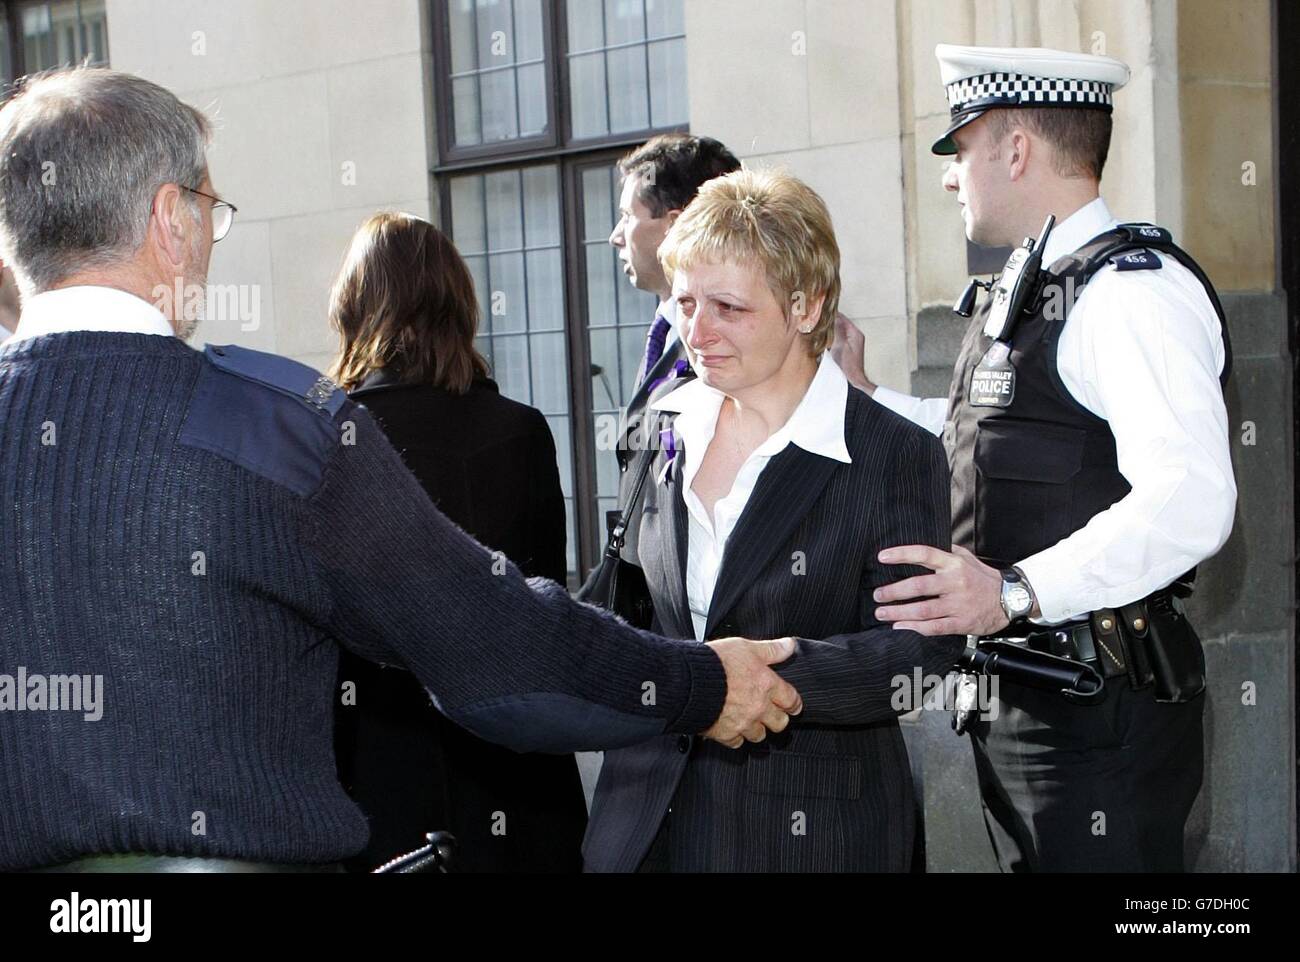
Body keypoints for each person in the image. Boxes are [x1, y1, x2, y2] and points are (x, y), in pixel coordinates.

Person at [0, 65, 802, 873]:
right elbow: (490, 641)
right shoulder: (273, 426)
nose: (210, 236)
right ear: (170, 218)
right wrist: (701, 684)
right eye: (211, 208)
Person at [841, 45, 1236, 872]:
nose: (952, 176)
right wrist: (865, 395)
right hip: (1029, 700)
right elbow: (985, 441)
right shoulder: (1035, 287)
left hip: (1096, 714)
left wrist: (1015, 591)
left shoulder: (1131, 293)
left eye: (962, 149)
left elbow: (1191, 496)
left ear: (1015, 149)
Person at [582, 168, 963, 873]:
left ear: (807, 307)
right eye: (685, 301)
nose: (697, 332)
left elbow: (916, 652)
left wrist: (762, 676)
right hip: (642, 823)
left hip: (811, 834)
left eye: (729, 307)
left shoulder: (891, 453)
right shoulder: (658, 428)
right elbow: (631, 603)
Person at [328, 211, 587, 872]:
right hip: (513, 772)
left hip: (372, 775)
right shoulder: (520, 431)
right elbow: (544, 608)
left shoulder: (319, 436)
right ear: (460, 305)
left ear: (354, 309)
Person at [601, 133, 740, 576]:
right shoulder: (664, 329)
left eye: (627, 216)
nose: (615, 236)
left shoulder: (734, 342)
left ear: (674, 224)